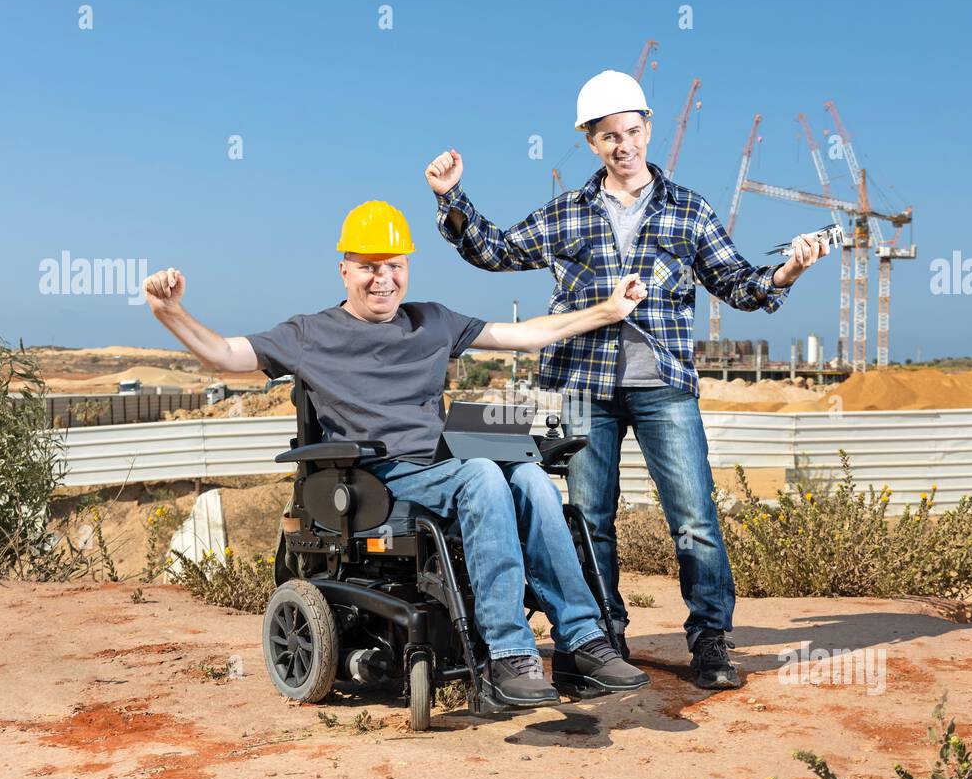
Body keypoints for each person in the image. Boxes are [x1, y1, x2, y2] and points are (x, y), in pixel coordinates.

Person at [143, 200, 651, 709]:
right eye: (368, 267)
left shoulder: (432, 321)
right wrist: (171, 312)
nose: (381, 279)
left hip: (444, 465)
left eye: (393, 266)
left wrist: (609, 310)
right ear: (345, 270)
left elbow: (525, 335)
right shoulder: (309, 334)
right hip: (378, 478)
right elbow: (225, 355)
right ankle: (507, 655)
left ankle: (582, 642)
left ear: (406, 268)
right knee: (483, 476)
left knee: (532, 477)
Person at [425, 69, 830, 689]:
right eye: (609, 135)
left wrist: (789, 272)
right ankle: (603, 639)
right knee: (590, 521)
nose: (623, 145)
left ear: (649, 130)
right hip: (585, 387)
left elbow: (740, 285)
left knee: (694, 517)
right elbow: (496, 251)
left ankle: (712, 642)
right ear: (590, 140)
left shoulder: (688, 210)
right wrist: (452, 199)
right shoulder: (568, 212)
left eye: (633, 132)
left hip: (664, 387)